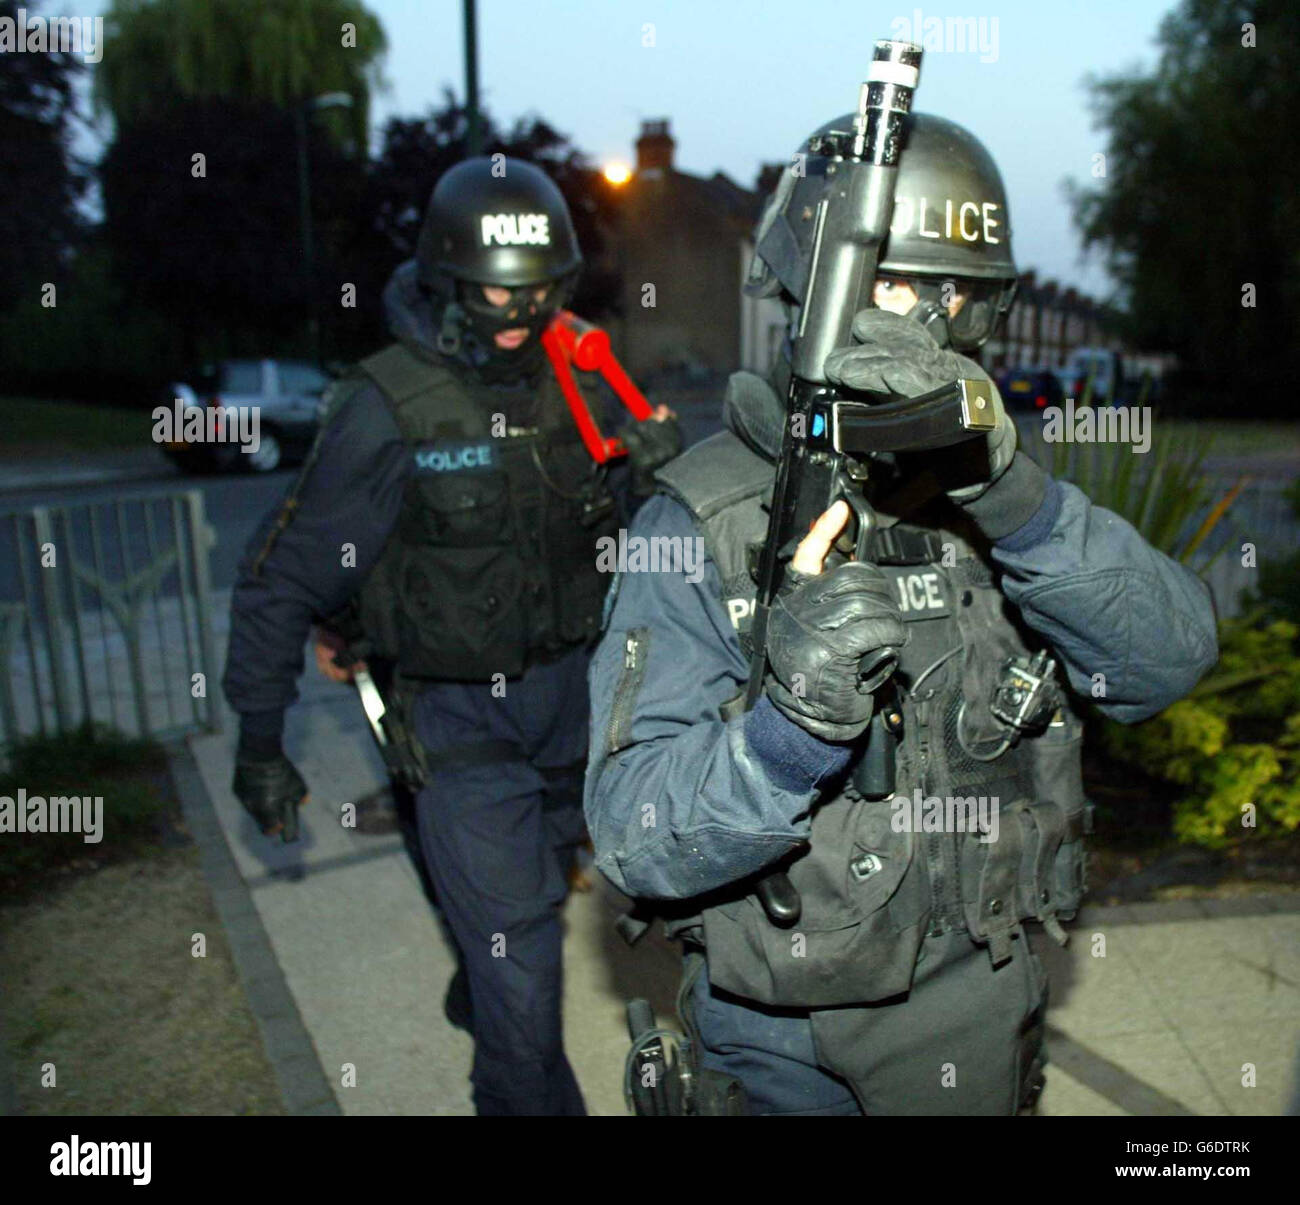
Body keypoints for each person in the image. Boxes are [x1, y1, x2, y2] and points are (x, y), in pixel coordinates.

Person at [583, 113, 1219, 1115]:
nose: (923, 324)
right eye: (890, 286)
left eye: (955, 295)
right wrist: (784, 736)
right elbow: (632, 832)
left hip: (970, 1001)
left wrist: (1013, 500)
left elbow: (1164, 662)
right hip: (771, 1017)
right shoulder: (700, 516)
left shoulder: (1013, 503)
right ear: (809, 296)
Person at [223, 155, 681, 1116]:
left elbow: (624, 541)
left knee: (523, 915)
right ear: (442, 279)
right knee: (525, 967)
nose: (517, 315)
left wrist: (655, 479)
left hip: (577, 711)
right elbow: (280, 580)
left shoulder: (582, 375)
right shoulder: (388, 405)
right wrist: (261, 745)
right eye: (491, 295)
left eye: (537, 292)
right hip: (456, 718)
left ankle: (480, 969)